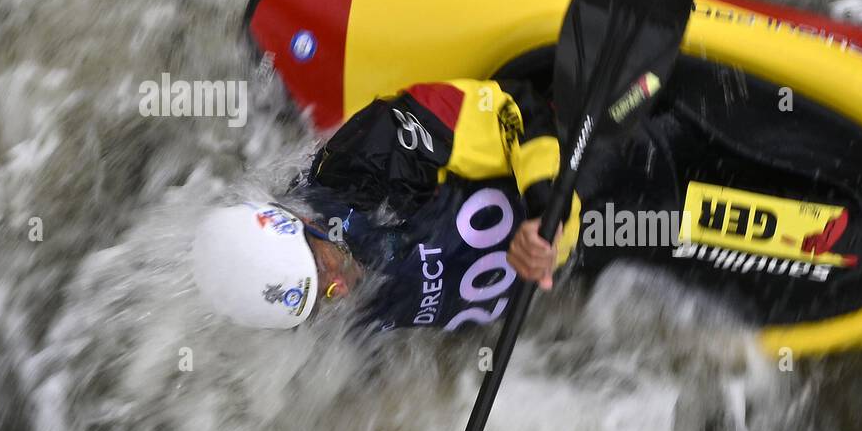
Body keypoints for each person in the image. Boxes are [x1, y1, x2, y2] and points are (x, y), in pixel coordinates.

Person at [192, 78, 580, 331]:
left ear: (300, 220)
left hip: (585, 175)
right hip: (575, 289)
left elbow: (520, 108)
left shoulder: (379, 156)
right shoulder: (324, 328)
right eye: (320, 302)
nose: (341, 290)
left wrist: (546, 209)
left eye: (324, 268)